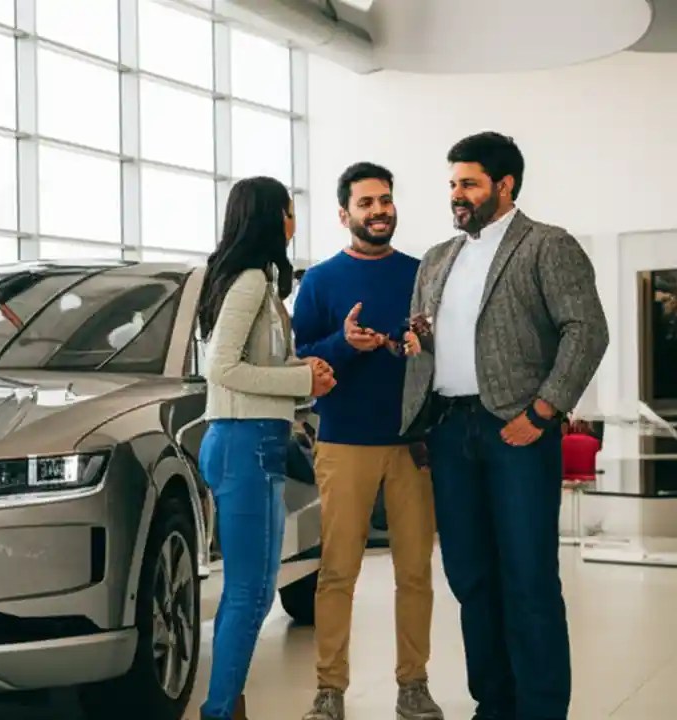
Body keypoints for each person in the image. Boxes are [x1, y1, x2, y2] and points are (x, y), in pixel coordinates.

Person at [401, 132, 608, 720]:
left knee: (528, 579)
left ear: (505, 185)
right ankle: (494, 706)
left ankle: (540, 710)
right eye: (452, 184)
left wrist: (543, 411)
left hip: (517, 432)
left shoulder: (547, 245)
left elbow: (587, 330)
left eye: (468, 183)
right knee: (470, 578)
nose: (456, 195)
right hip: (450, 432)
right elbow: (425, 343)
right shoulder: (437, 259)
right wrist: (419, 416)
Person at [291, 162, 443, 720]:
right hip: (344, 443)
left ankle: (413, 684)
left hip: (413, 443)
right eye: (366, 203)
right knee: (337, 571)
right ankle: (329, 689)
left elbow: (443, 348)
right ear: (344, 214)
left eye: (385, 200)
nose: (379, 210)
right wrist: (345, 342)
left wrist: (420, 344)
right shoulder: (320, 281)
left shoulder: (421, 273)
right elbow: (301, 360)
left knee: (415, 572)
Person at [196, 176, 335, 720]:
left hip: (254, 441)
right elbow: (223, 368)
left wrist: (305, 374)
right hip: (244, 444)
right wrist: (302, 380)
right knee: (250, 593)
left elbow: (257, 367)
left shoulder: (256, 282)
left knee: (252, 590)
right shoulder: (250, 281)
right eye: (289, 210)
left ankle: (227, 706)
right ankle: (220, 711)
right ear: (272, 217)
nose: (294, 220)